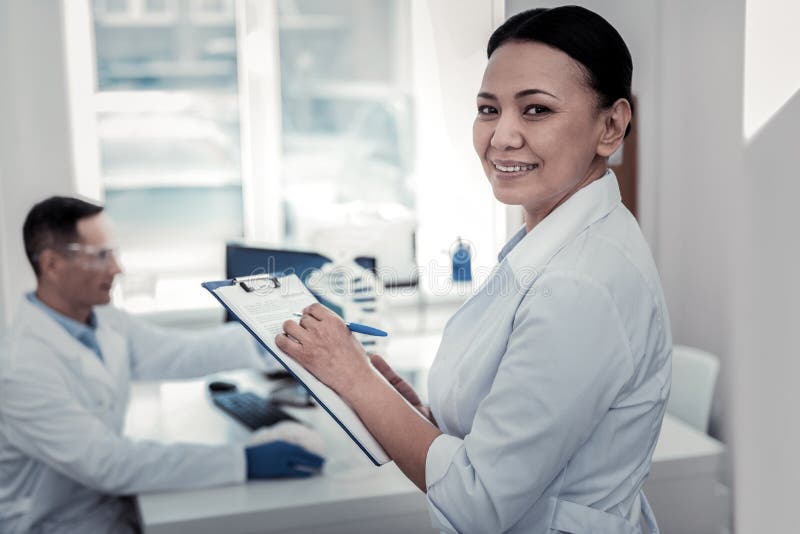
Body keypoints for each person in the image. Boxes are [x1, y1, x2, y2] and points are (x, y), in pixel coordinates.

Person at [275, 6, 671, 534]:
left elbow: (478, 502)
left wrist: (354, 378)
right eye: (488, 109)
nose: (501, 136)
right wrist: (410, 414)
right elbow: (508, 439)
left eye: (536, 110)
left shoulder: (581, 285)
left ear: (611, 126)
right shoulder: (552, 246)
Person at [0, 197, 324, 534]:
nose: (117, 269)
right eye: (100, 255)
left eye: (114, 253)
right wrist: (243, 461)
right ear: (52, 265)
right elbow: (109, 463)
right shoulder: (22, 366)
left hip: (105, 509)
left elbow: (183, 352)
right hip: (53, 525)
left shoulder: (104, 321)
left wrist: (278, 334)